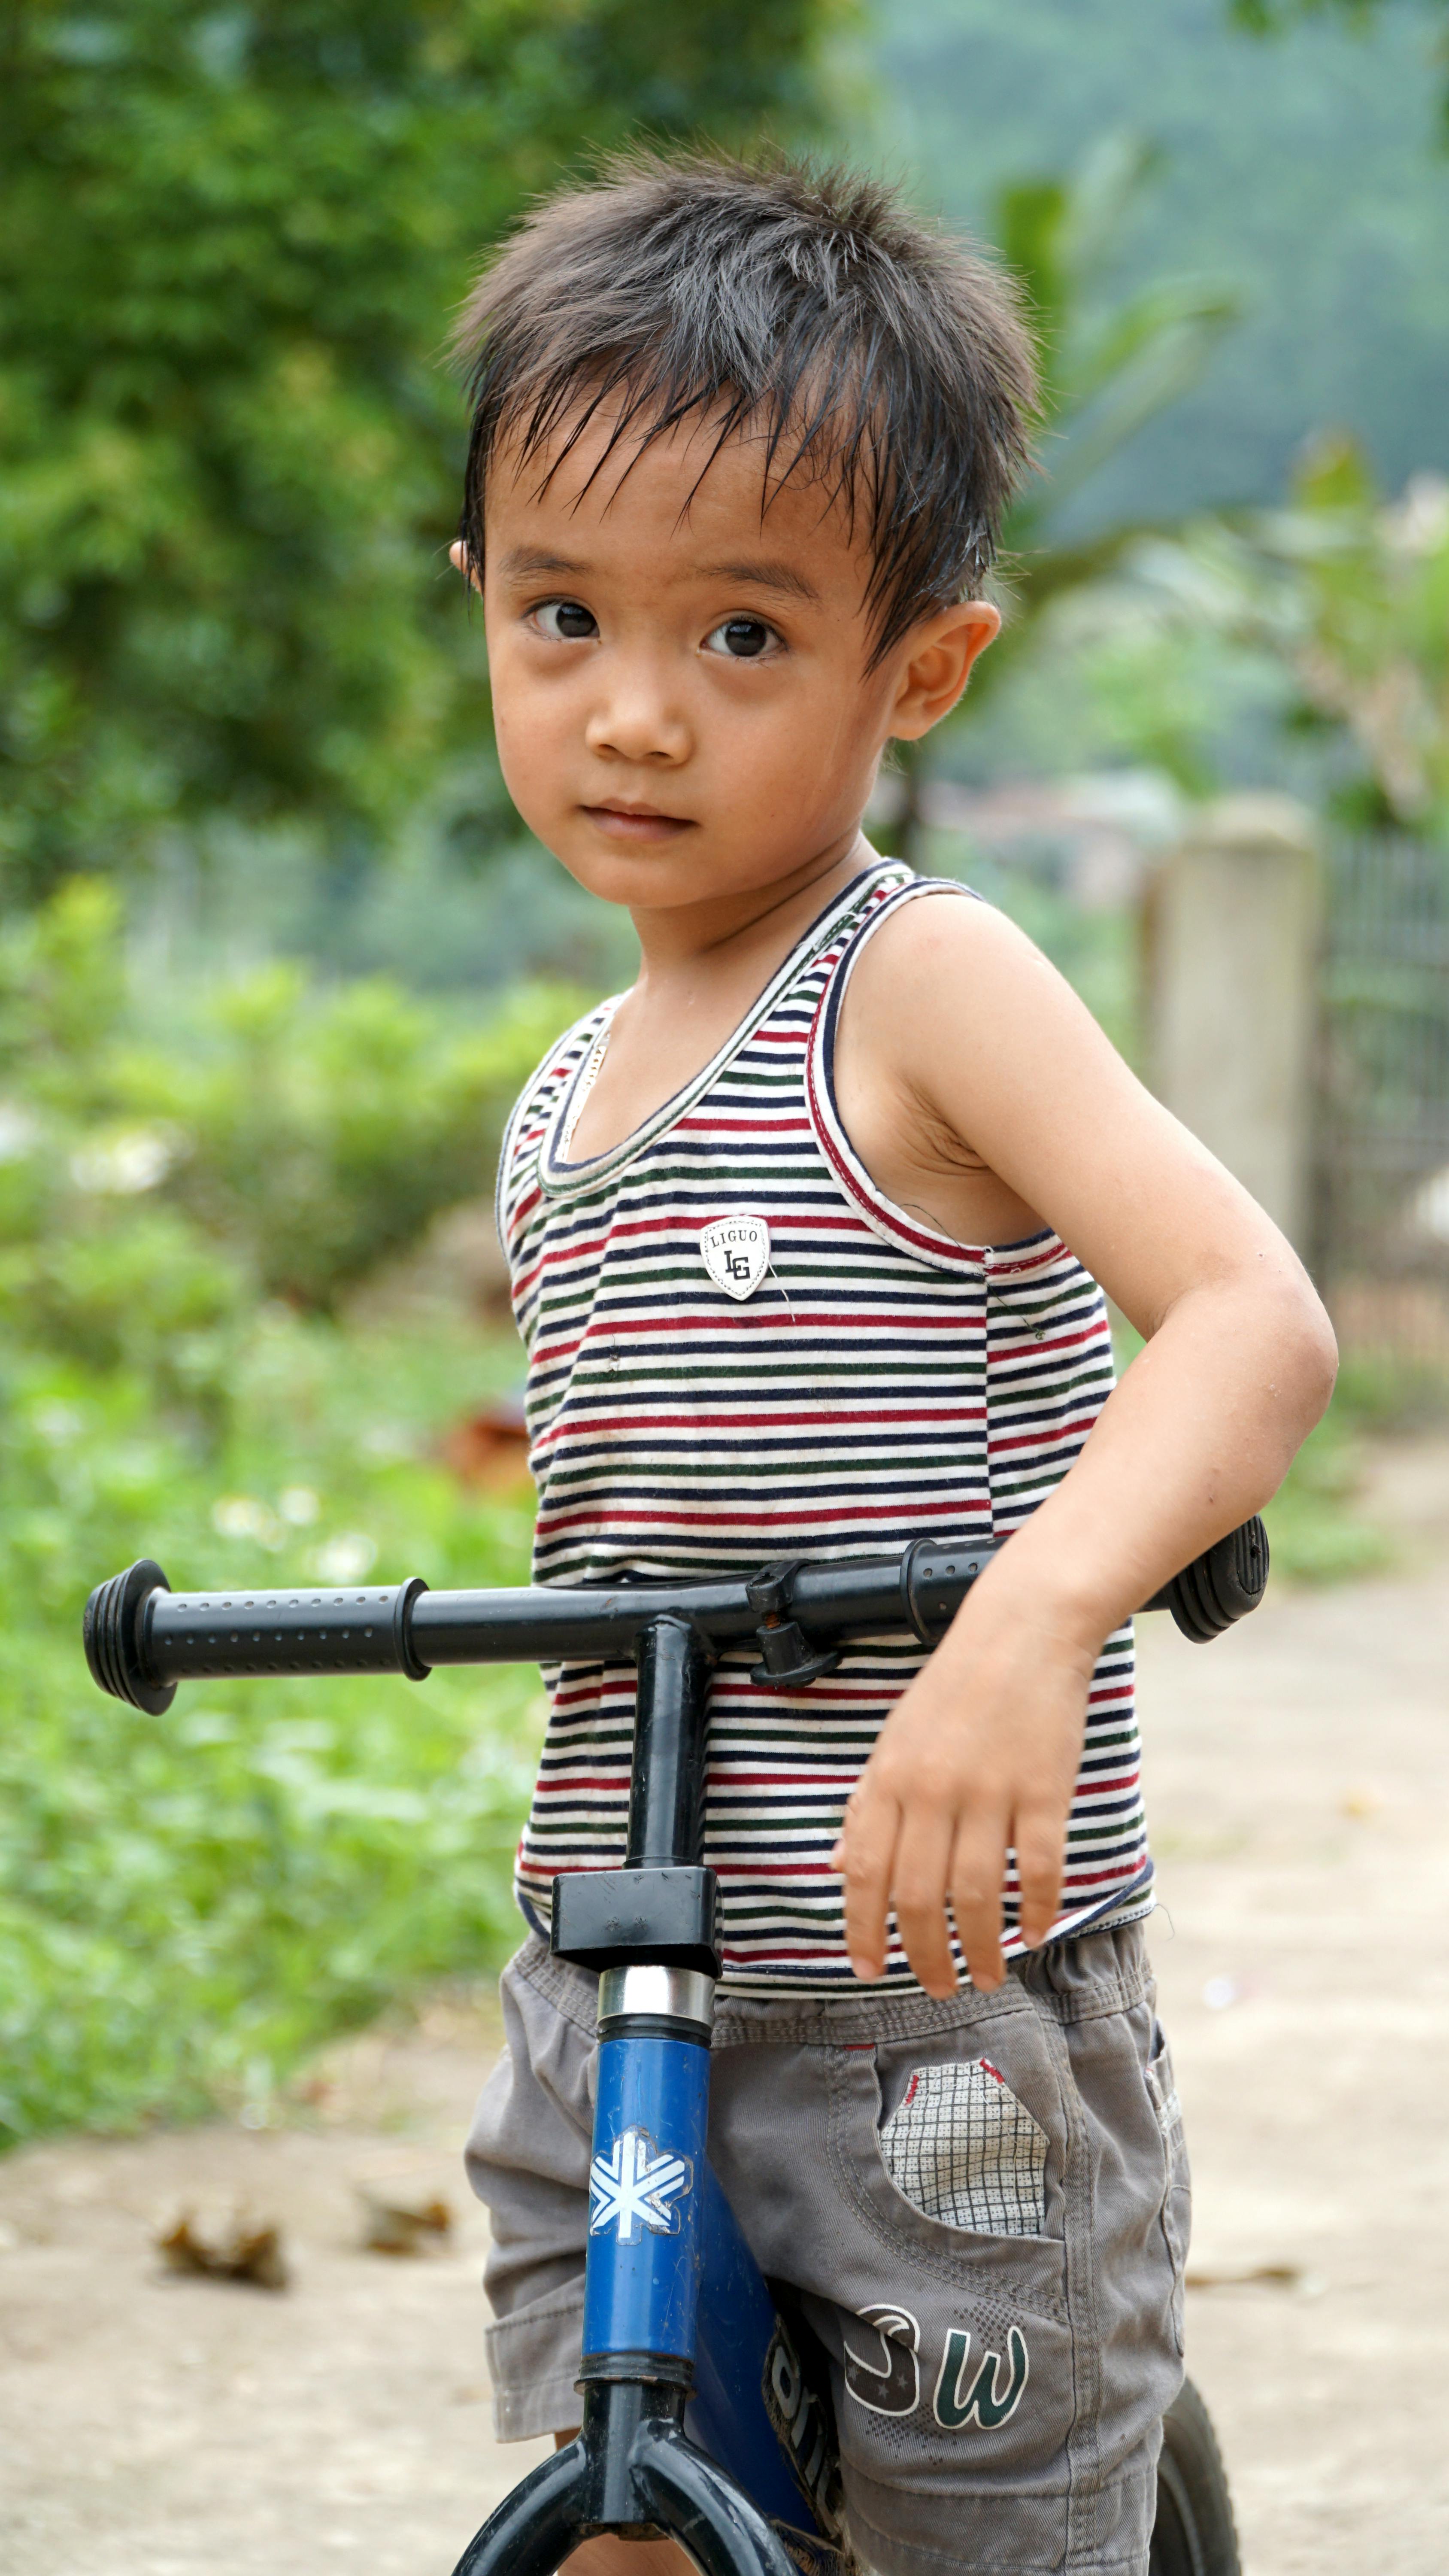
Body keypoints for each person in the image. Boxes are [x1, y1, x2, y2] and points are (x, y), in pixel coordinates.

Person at [453, 150, 1336, 2576]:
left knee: (979, 2530)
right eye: (562, 617)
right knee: (611, 2502)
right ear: (481, 610)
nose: (634, 712)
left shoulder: (916, 984)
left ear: (917, 670)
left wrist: (1033, 1621)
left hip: (940, 2006)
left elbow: (1249, 1317)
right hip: (616, 1973)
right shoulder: (557, 1103)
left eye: (744, 637)